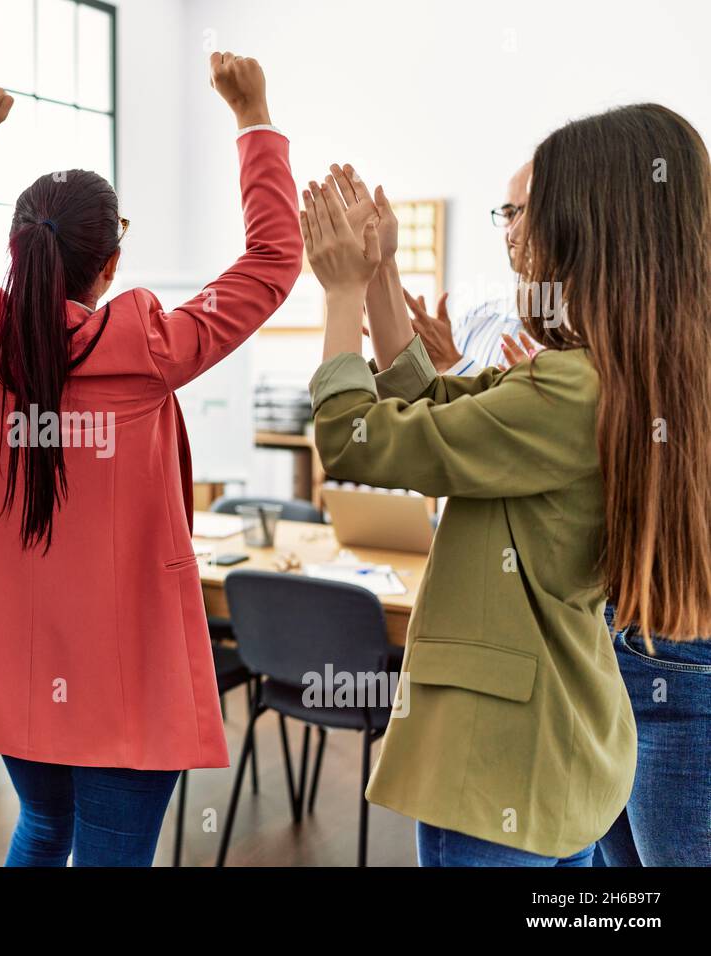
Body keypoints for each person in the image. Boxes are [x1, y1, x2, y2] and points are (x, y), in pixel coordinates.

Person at [0, 52, 302, 867]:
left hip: (12, 661)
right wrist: (253, 115)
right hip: (127, 674)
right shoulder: (148, 345)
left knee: (43, 828)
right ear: (110, 263)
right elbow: (273, 261)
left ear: (15, 253)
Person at [298, 100, 711, 865]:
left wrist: (340, 292)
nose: (520, 232)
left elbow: (353, 439)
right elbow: (439, 402)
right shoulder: (621, 379)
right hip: (561, 752)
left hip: (495, 761)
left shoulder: (567, 390)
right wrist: (383, 269)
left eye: (534, 212)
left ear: (591, 227)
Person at [402, 162, 536, 374]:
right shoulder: (473, 324)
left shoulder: (591, 333)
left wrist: (452, 363)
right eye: (510, 214)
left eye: (534, 211)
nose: (515, 232)